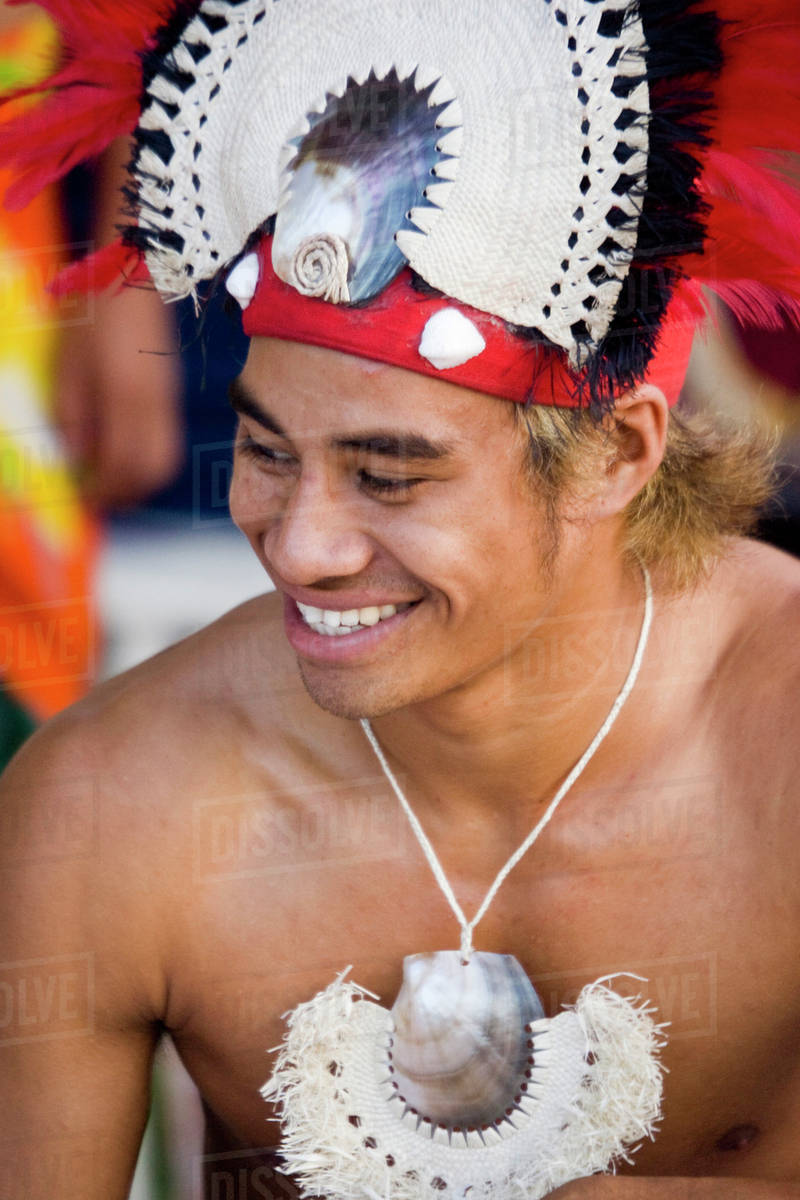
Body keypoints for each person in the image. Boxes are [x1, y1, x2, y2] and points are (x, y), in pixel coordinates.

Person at [1, 2, 799, 1197]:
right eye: (265, 452)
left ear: (614, 457)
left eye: (387, 474)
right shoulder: (106, 803)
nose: (301, 546)